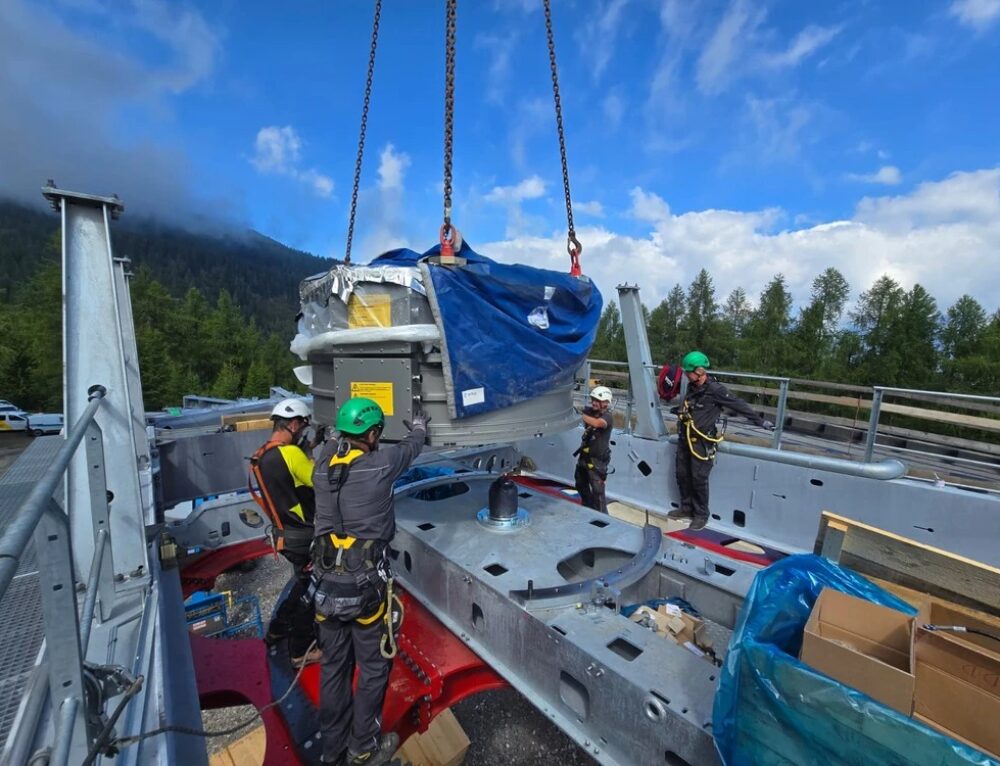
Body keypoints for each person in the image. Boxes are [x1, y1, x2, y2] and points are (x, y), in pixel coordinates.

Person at [311, 397, 428, 766]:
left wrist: (334, 437)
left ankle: (333, 751)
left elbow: (331, 443)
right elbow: (411, 448)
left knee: (334, 667)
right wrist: (421, 425)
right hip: (364, 592)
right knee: (374, 667)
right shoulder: (380, 466)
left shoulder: (319, 467)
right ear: (374, 434)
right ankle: (362, 748)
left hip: (324, 587)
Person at [249, 398, 323, 667]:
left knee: (300, 584)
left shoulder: (263, 453)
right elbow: (319, 480)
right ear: (292, 424)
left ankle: (278, 628)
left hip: (284, 533)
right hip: (302, 534)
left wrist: (308, 447)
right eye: (302, 428)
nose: (303, 432)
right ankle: (301, 649)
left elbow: (287, 475)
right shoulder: (291, 455)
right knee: (311, 592)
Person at [668, 351, 773, 531]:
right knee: (682, 474)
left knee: (698, 478)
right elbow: (690, 408)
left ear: (699, 371)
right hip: (685, 438)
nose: (686, 375)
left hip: (702, 442)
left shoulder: (715, 390)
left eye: (689, 372)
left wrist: (760, 421)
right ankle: (686, 508)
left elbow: (738, 404)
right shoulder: (692, 389)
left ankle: (701, 515)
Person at [574, 385, 614, 513]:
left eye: (598, 400)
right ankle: (587, 508)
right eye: (593, 400)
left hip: (597, 462)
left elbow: (597, 423)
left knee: (598, 493)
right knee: (580, 484)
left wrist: (579, 415)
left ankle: (603, 518)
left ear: (606, 403)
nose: (594, 403)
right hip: (584, 457)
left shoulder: (608, 418)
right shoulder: (590, 412)